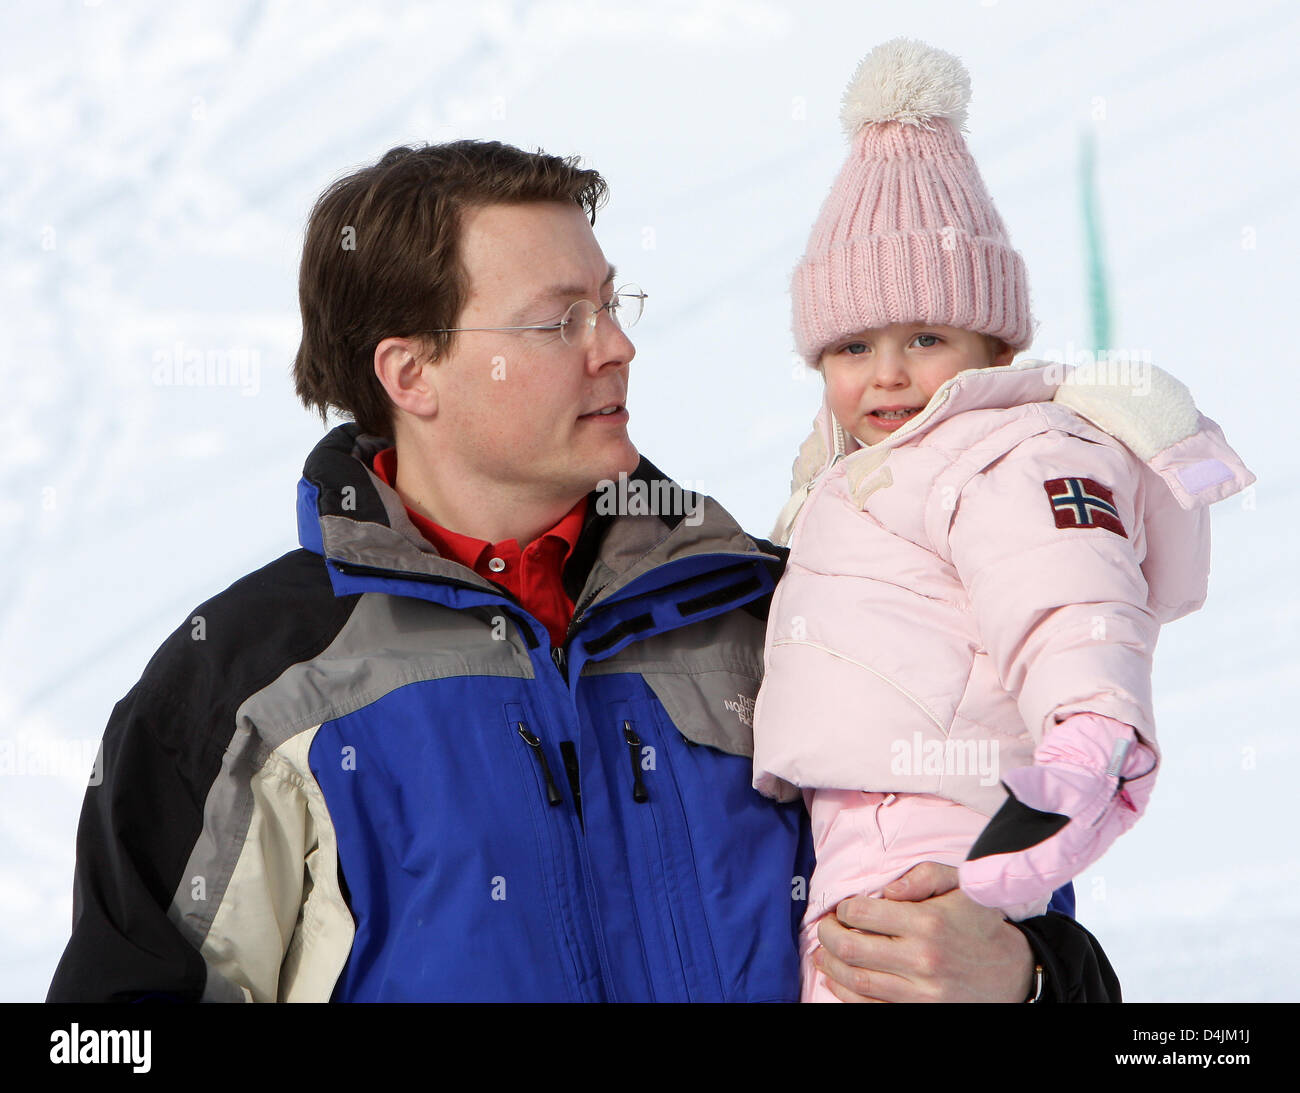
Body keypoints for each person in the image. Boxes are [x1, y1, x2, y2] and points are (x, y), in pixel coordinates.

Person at [48, 137, 1121, 1003]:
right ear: (411, 371)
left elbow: (1020, 917)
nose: (617, 347)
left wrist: (1025, 982)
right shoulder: (246, 685)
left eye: (613, 305)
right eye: (562, 319)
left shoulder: (793, 611)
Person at [749, 39, 1254, 1002]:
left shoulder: (1007, 456)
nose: (887, 373)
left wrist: (1081, 740)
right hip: (855, 839)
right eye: (854, 344)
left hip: (949, 828)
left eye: (924, 337)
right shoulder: (846, 486)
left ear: (992, 343)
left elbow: (1068, 602)